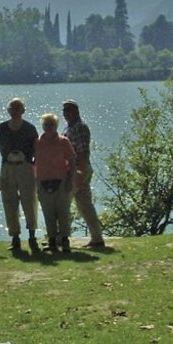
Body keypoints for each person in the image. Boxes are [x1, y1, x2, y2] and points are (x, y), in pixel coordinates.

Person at [0, 97, 39, 253]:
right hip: (8, 167)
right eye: (12, 109)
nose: (14, 111)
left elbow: (36, 148)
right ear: (8, 111)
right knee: (9, 202)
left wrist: (31, 164)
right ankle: (15, 237)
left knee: (29, 201)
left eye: (17, 108)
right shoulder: (2, 128)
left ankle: (32, 236)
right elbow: (1, 148)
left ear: (23, 110)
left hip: (25, 167)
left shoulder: (30, 128)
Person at [62, 99, 106, 249]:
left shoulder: (79, 127)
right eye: (64, 110)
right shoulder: (70, 127)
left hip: (78, 169)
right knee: (85, 205)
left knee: (64, 203)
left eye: (69, 109)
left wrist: (79, 171)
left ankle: (60, 238)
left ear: (76, 111)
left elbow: (82, 151)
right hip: (76, 169)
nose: (66, 113)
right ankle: (97, 238)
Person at [34, 112, 76, 252]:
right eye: (46, 125)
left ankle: (65, 240)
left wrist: (70, 179)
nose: (49, 127)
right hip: (43, 181)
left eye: (51, 125)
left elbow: (72, 160)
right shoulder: (37, 142)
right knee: (48, 212)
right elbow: (32, 161)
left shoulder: (63, 141)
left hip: (62, 181)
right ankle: (51, 240)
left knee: (63, 212)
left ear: (56, 126)